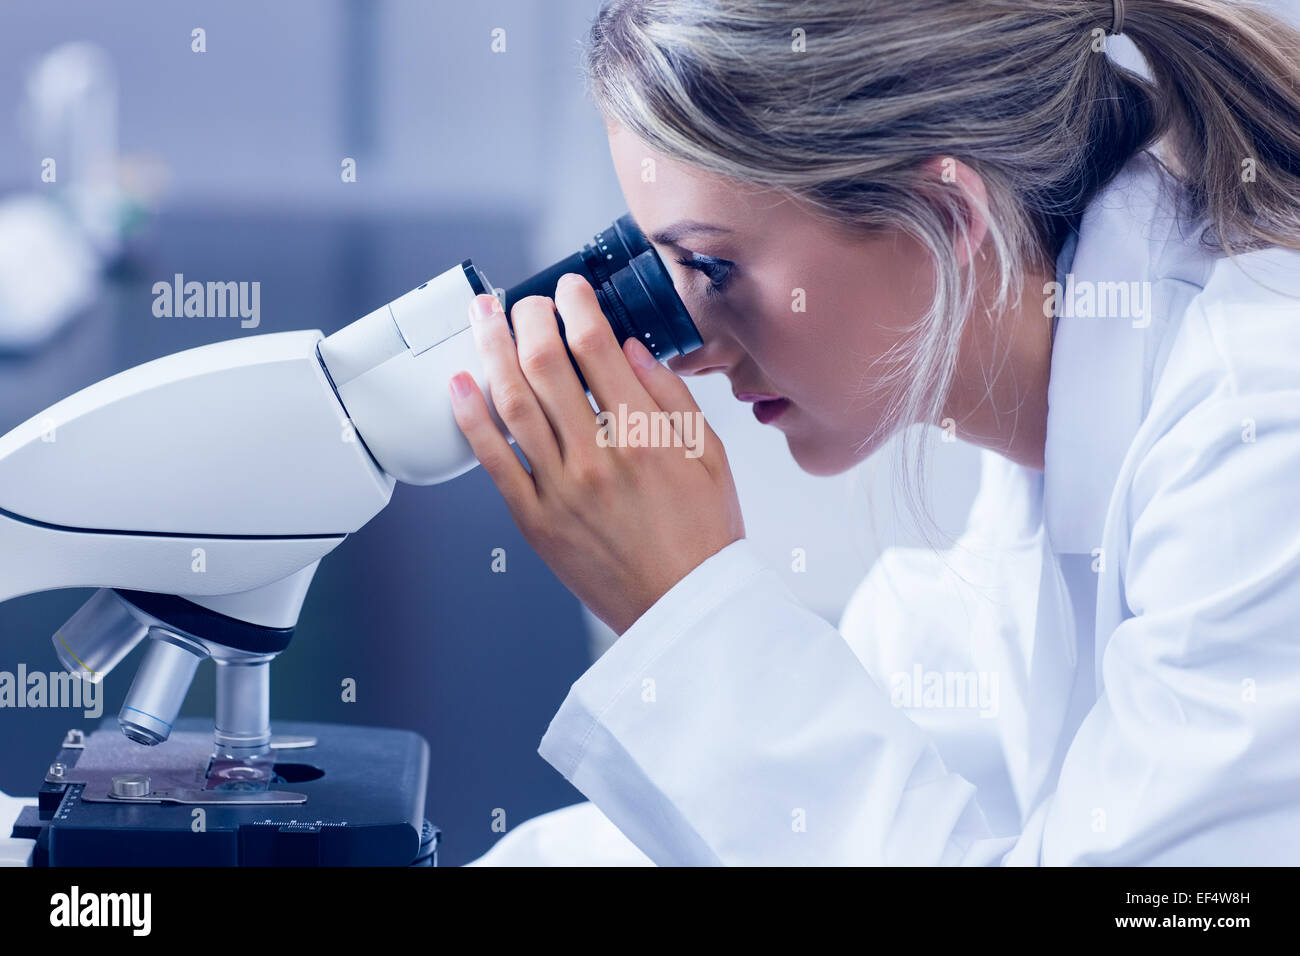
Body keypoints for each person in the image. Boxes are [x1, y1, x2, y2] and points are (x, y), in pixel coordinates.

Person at [448, 0, 1300, 865]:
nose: (690, 348)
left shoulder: (1260, 443)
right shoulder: (1077, 400)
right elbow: (915, 774)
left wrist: (685, 614)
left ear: (942, 218)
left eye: (711, 266)